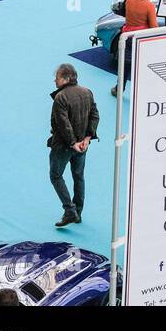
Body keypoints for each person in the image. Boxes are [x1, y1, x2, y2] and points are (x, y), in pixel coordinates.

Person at [48, 63, 98, 228]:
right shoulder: (87, 92)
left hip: (64, 146)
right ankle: (78, 212)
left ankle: (69, 210)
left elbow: (63, 124)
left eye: (57, 78)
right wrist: (87, 138)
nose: (55, 81)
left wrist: (72, 143)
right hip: (82, 146)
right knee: (78, 176)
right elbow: (94, 115)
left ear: (66, 79)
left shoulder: (60, 98)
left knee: (56, 176)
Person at [111, 0, 158, 97]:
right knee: (143, 65)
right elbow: (153, 26)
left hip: (127, 35)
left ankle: (118, 89)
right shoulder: (149, 6)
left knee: (125, 66)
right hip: (141, 39)